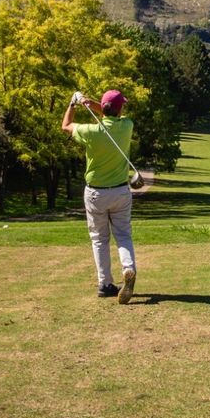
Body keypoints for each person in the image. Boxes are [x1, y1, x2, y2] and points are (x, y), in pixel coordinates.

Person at [62, 89, 137, 304]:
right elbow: (109, 112)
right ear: (120, 108)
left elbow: (65, 126)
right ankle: (129, 268)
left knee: (99, 239)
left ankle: (105, 284)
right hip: (121, 191)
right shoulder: (126, 126)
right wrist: (89, 102)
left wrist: (74, 104)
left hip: (96, 193)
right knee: (123, 234)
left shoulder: (90, 131)